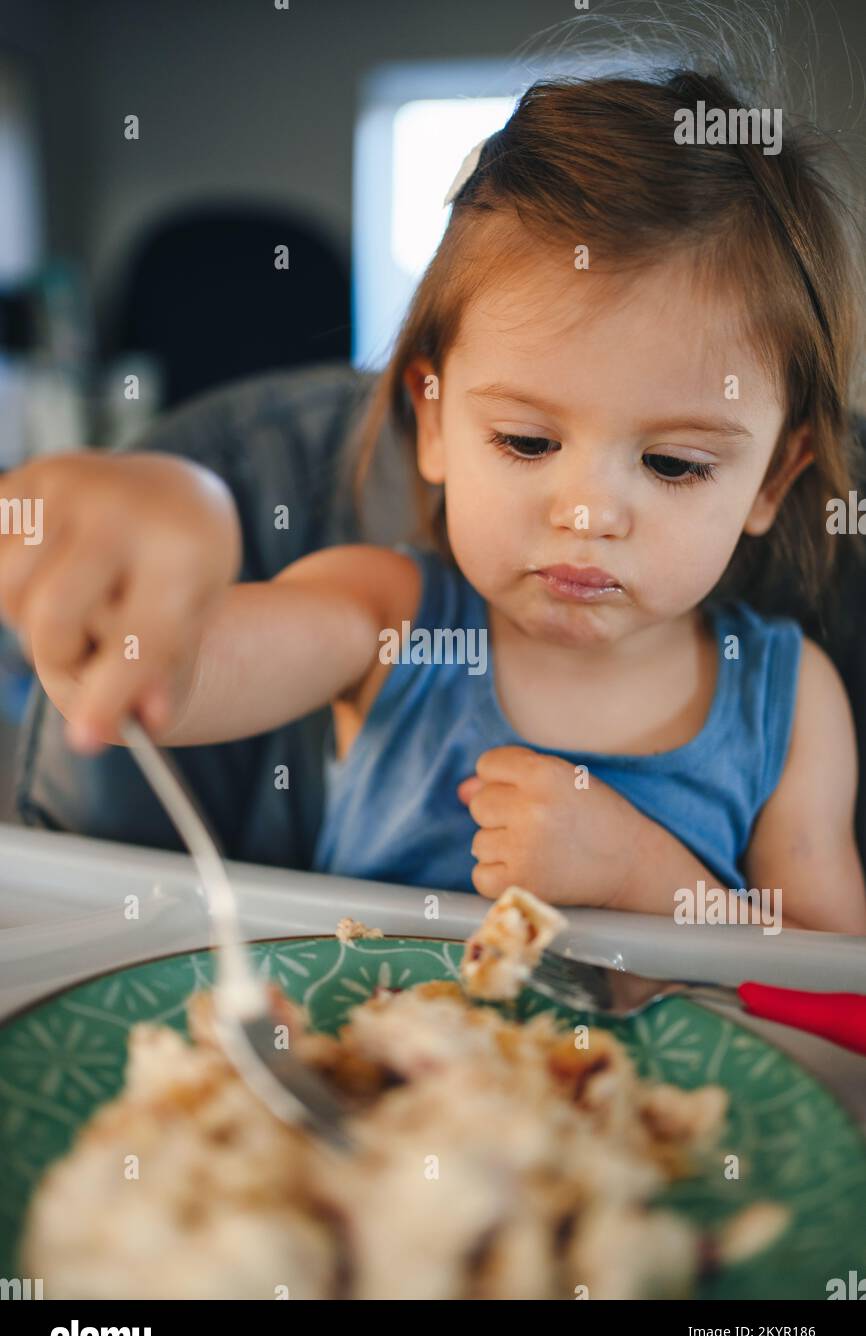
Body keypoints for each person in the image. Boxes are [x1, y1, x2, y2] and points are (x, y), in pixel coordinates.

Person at [2, 68, 865, 931]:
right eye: (527, 442)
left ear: (773, 483)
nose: (589, 514)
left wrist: (642, 873)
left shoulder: (788, 703)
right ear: (436, 421)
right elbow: (148, 688)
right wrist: (146, 546)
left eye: (675, 464)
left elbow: (833, 997)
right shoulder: (388, 616)